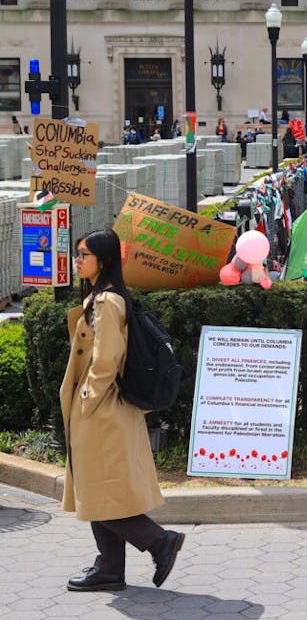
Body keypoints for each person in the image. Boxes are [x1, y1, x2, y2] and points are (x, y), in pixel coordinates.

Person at [60, 229, 185, 592]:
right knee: (102, 489)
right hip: (108, 408)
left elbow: (106, 360)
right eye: (78, 253)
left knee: (99, 490)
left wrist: (86, 400)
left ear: (105, 259)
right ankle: (110, 567)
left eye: (84, 254)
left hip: (101, 409)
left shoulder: (105, 303)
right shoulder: (106, 297)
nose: (78, 260)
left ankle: (158, 541)